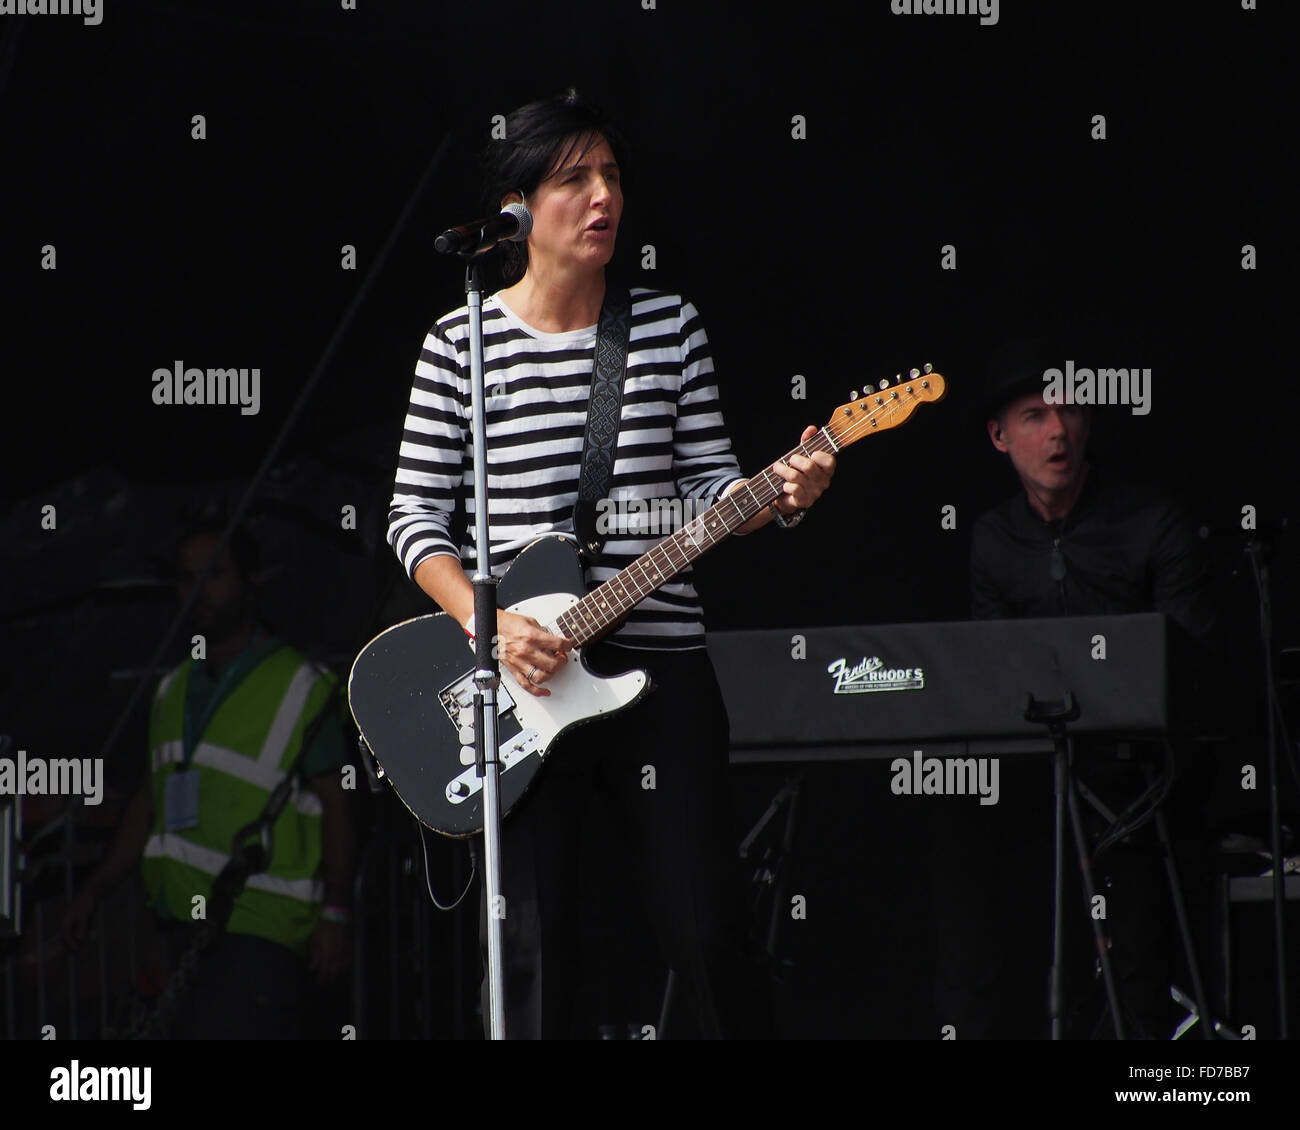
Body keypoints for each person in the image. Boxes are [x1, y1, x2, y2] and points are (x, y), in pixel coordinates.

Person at [387, 89, 835, 1039]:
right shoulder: (457, 344)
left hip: (659, 668)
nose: (603, 199)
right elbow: (415, 519)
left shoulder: (667, 326)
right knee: (531, 954)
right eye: (574, 179)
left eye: (613, 177)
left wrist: (780, 494)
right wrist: (489, 621)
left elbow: (716, 489)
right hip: (518, 679)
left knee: (708, 929)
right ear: (518, 208)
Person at [930, 339, 1219, 1039]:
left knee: (1140, 964)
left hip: (1140, 787)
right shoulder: (993, 538)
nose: (1057, 430)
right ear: (999, 437)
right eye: (1034, 414)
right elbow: (990, 672)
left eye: (1069, 410)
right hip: (1034, 794)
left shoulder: (1152, 521)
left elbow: (1191, 668)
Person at [62, 519, 356, 1038]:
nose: (197, 590)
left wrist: (334, 915)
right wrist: (94, 891)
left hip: (258, 935)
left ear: (250, 583)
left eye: (214, 574)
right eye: (185, 578)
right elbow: (147, 805)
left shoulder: (302, 685)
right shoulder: (172, 688)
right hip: (178, 933)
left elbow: (341, 805)